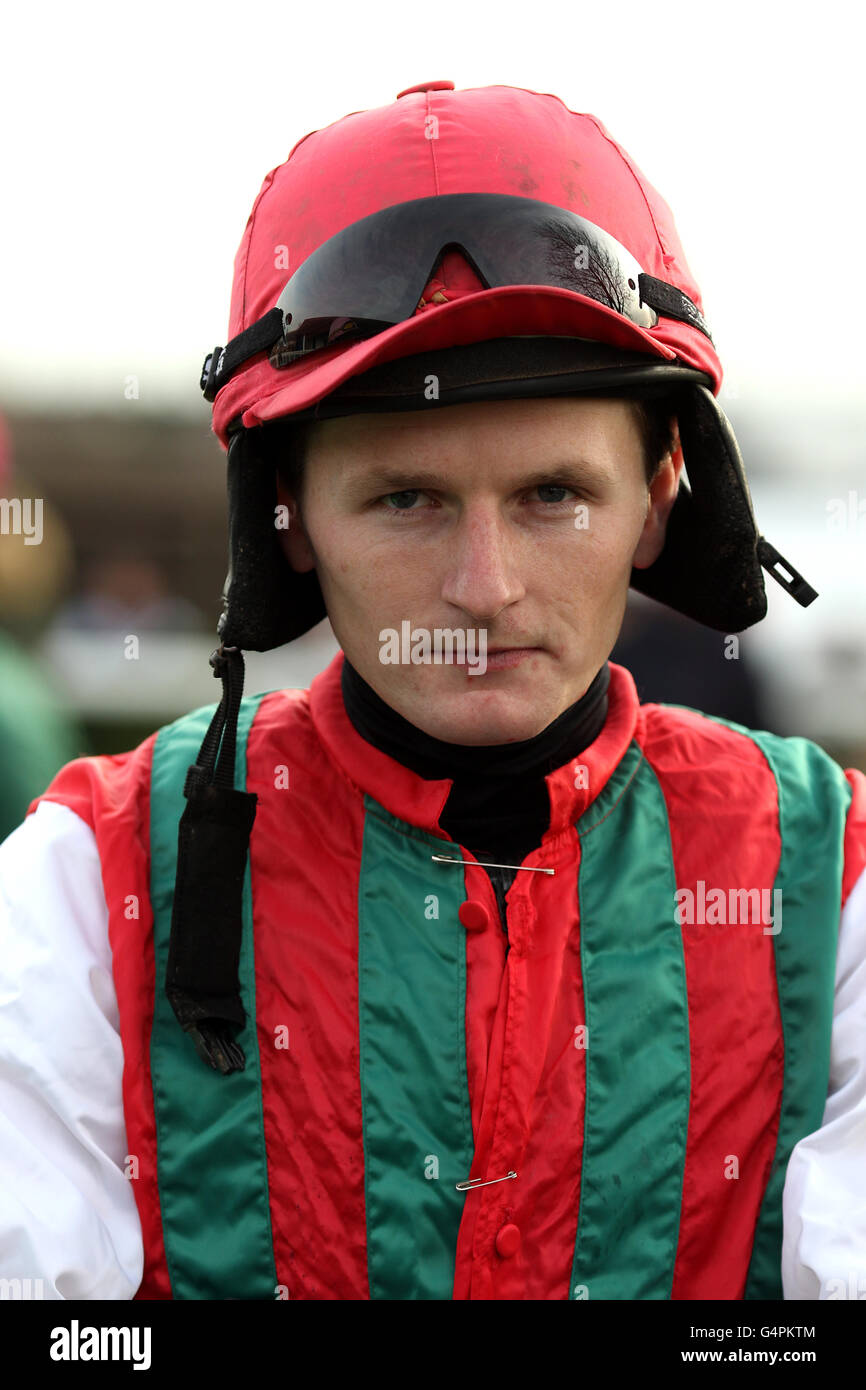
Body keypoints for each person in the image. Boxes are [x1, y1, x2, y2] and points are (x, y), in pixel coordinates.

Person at [1, 80, 864, 1302]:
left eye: (551, 496)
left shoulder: (838, 882)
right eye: (406, 499)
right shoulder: (85, 880)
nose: (484, 588)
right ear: (289, 518)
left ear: (660, 494)